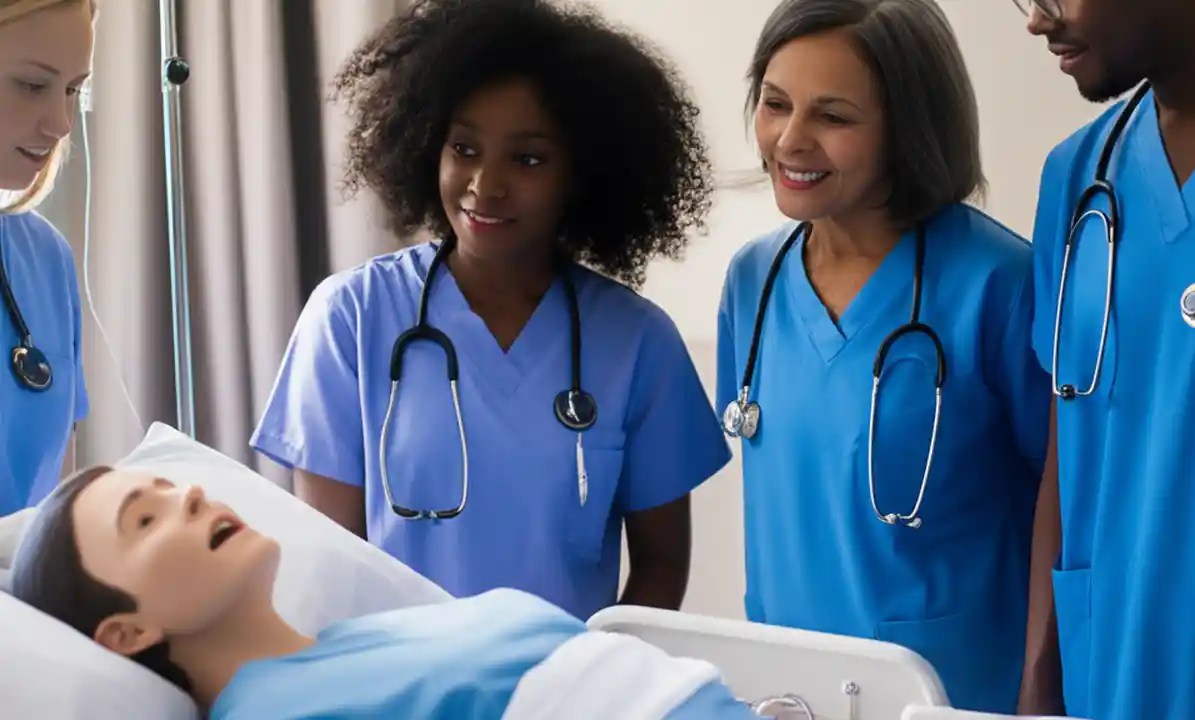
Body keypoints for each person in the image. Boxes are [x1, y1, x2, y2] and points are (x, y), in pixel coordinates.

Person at [250, 0, 729, 622]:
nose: (485, 184)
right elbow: (330, 560)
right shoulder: (351, 317)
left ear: (581, 175)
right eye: (464, 148)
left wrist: (594, 679)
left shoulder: (638, 343)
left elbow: (662, 566)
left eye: (527, 159)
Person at [716, 0, 1047, 712]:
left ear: (909, 129)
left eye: (833, 117)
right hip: (785, 687)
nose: (790, 140)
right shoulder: (753, 280)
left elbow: (1066, 510)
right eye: (776, 104)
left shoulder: (1000, 285)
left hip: (948, 691)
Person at [1014, 1, 1195, 718]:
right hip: (1103, 683)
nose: (1037, 20)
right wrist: (1038, 687)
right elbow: (1066, 447)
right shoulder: (1076, 176)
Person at [8, 466, 758, 719]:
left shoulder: (357, 638)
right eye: (146, 519)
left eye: (174, 487)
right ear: (126, 633)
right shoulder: (273, 712)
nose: (193, 499)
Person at [0, 0, 94, 516]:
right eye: (33, 86)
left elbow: (56, 511)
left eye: (73, 89)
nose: (61, 122)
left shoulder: (45, 261)